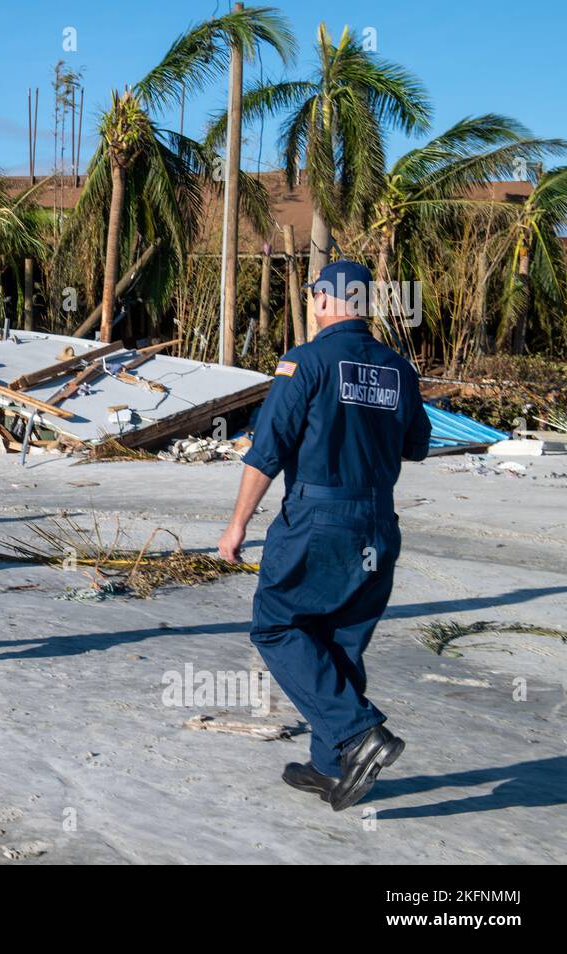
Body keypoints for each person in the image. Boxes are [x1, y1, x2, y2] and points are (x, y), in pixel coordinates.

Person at [217, 260, 431, 812]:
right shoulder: (398, 369)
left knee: (277, 624)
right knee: (340, 640)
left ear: (323, 301)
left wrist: (238, 523)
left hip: (319, 516)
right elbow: (416, 445)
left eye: (314, 297)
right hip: (379, 522)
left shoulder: (305, 362)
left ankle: (359, 733)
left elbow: (267, 452)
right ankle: (331, 766)